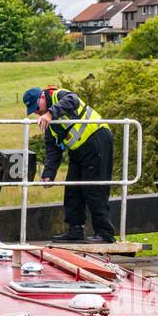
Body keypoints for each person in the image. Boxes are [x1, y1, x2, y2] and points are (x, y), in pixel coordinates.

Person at [22, 86, 115, 244]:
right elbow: (53, 149)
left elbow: (73, 100)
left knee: (94, 188)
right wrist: (48, 174)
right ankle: (75, 230)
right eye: (34, 111)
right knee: (72, 189)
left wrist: (50, 113)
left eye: (37, 108)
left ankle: (105, 233)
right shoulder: (49, 125)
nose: (37, 113)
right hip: (78, 151)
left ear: (43, 97)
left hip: (97, 139)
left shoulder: (59, 95)